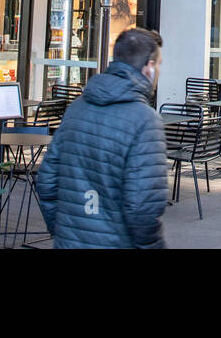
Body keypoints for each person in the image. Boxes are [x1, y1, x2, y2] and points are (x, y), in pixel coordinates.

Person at [35, 27, 168, 248]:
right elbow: (143, 206)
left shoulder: (77, 108)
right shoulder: (145, 120)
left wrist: (61, 231)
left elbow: (47, 179)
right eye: (159, 64)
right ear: (149, 67)